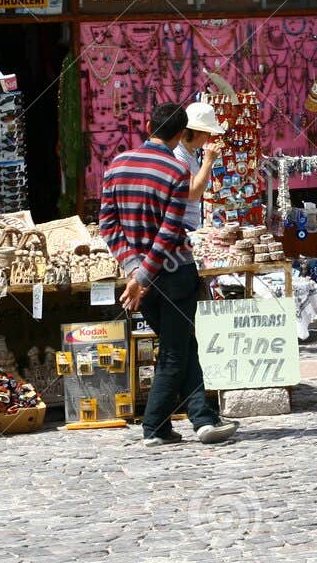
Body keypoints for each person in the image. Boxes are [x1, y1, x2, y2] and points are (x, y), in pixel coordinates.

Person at [99, 103, 238, 449]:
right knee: (175, 352)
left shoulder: (117, 165)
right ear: (180, 134)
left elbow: (108, 225)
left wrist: (133, 270)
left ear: (148, 125)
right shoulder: (176, 171)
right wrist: (142, 276)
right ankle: (155, 425)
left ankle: (204, 419)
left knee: (182, 344)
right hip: (171, 276)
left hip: (143, 280)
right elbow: (168, 233)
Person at [174, 101, 224, 232]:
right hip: (181, 227)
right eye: (207, 134)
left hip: (187, 224)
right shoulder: (179, 154)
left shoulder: (189, 152)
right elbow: (193, 193)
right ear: (197, 132)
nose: (208, 138)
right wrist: (208, 161)